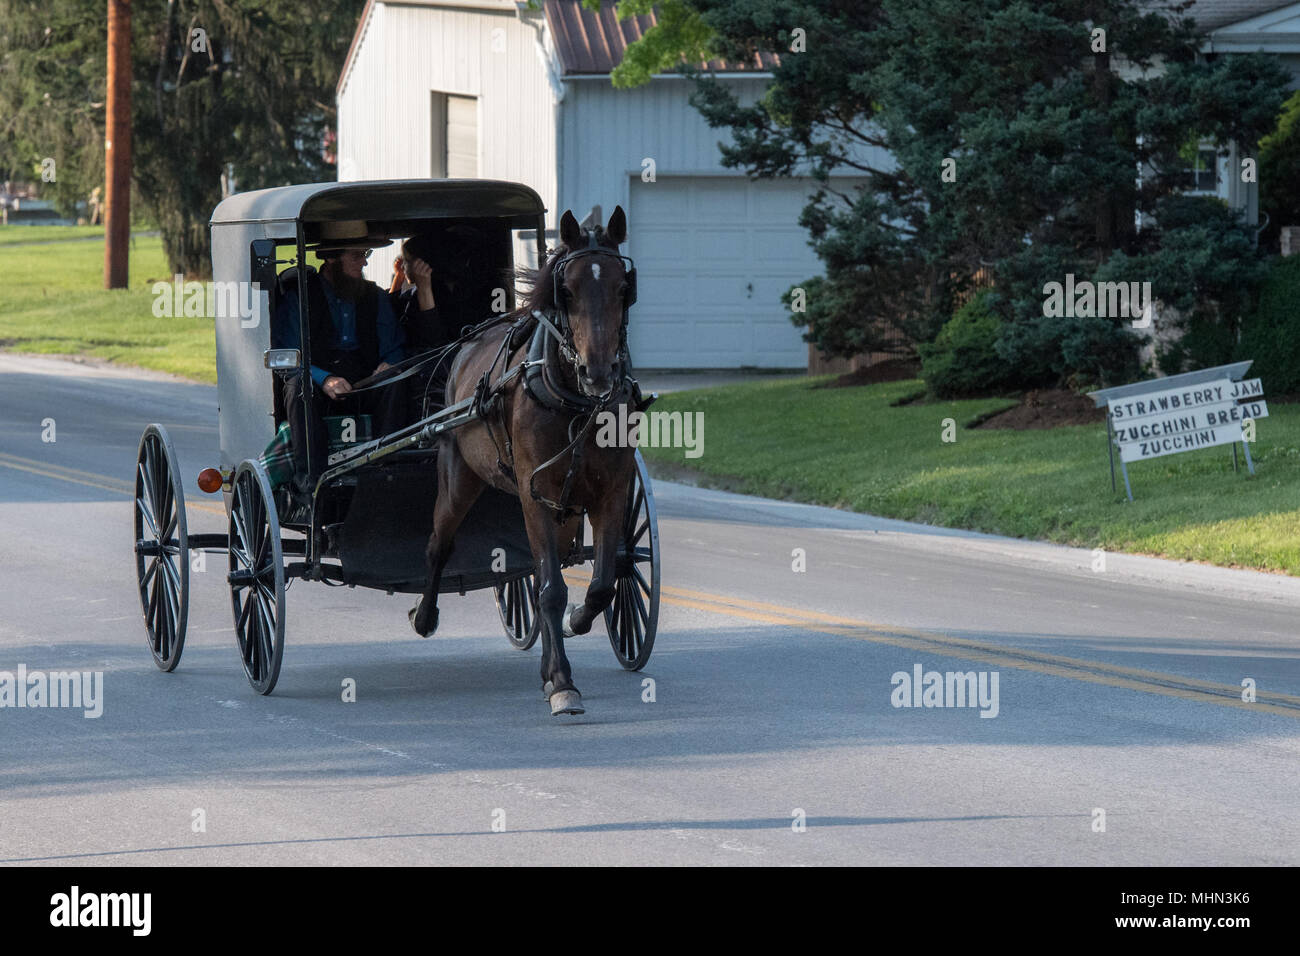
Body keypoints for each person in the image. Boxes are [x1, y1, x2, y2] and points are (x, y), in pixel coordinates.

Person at [272, 221, 409, 505]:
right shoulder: (299, 297)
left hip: (365, 380)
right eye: (357, 256)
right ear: (332, 258)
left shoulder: (376, 297)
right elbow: (288, 356)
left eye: (365, 255)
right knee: (298, 387)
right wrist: (324, 379)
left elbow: (395, 347)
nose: (363, 263)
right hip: (318, 383)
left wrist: (389, 364)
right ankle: (312, 482)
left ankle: (388, 470)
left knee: (399, 379)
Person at [390, 235, 462, 412]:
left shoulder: (444, 295)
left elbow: (435, 341)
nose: (403, 265)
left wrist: (425, 289)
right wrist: (399, 278)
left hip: (432, 375)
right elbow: (392, 314)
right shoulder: (411, 295)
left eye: (406, 261)